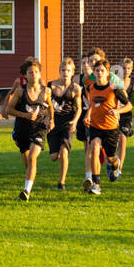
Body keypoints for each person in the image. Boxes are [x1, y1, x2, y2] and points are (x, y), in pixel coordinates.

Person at [6, 58, 52, 201]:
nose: (33, 74)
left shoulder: (46, 91)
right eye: (30, 72)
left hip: (39, 128)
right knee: (27, 158)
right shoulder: (21, 90)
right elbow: (9, 109)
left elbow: (50, 106)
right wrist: (25, 115)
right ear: (25, 75)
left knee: (32, 157)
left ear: (40, 74)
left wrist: (52, 121)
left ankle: (26, 190)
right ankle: (30, 176)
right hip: (23, 128)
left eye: (36, 72)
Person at [83, 59, 131, 194]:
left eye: (102, 70)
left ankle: (115, 165)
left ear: (107, 72)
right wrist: (87, 115)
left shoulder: (113, 88)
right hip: (95, 126)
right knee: (94, 149)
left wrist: (117, 111)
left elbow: (129, 105)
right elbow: (93, 104)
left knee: (111, 158)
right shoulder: (90, 87)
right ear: (94, 72)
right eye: (97, 70)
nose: (99, 73)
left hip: (111, 128)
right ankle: (96, 184)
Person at [47, 58, 81, 191]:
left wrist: (75, 121)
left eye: (68, 70)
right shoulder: (51, 86)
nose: (65, 73)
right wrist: (48, 119)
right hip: (53, 122)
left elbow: (78, 108)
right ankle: (58, 155)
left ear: (73, 72)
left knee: (64, 152)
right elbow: (45, 104)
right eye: (63, 70)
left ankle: (62, 182)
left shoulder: (76, 88)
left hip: (68, 122)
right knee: (54, 156)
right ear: (59, 71)